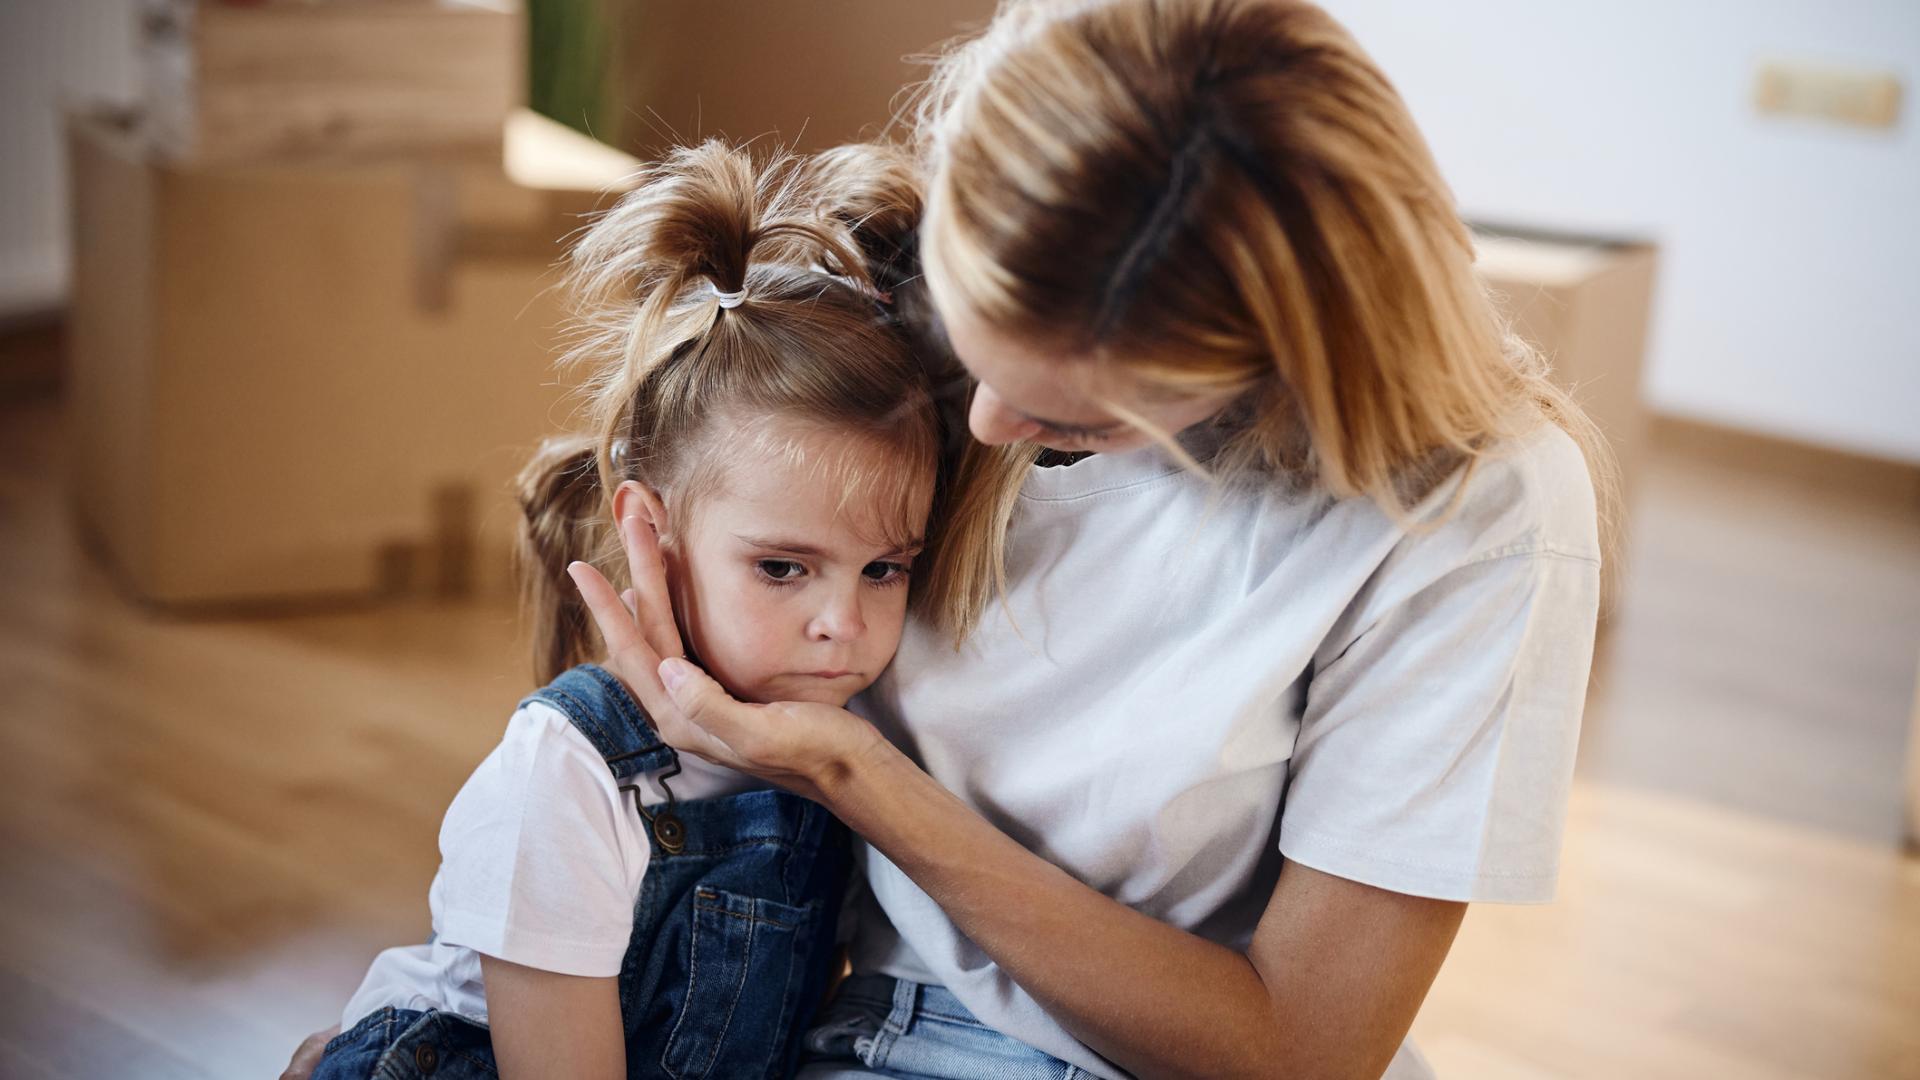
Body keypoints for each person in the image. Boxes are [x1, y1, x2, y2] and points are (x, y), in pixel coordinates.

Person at [564, 1, 1611, 1078]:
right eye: (980, 352)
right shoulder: (885, 314)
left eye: (1076, 425)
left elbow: (1303, 1051)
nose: (982, 431)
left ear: (1278, 356)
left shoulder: (1476, 508)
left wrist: (854, 775)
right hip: (855, 1023)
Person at [299, 140, 955, 1079]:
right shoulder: (566, 779)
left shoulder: (844, 751)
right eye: (782, 567)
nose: (841, 625)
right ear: (651, 530)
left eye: (885, 571)